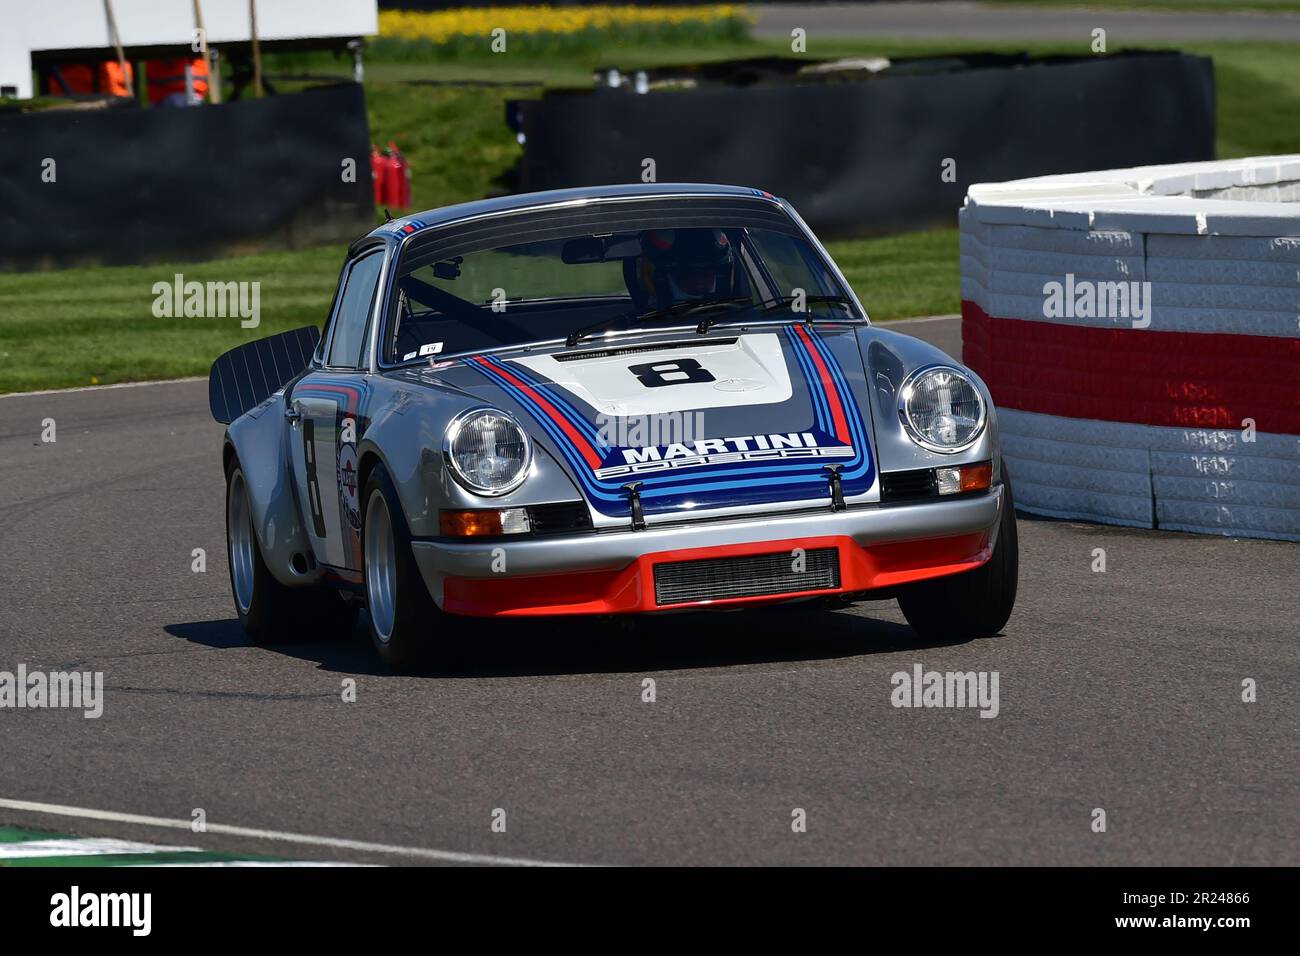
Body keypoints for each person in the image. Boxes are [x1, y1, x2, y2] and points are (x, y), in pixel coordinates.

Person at [633, 228, 746, 308]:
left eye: (706, 273)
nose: (699, 281)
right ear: (658, 278)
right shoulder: (634, 326)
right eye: (686, 275)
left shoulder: (742, 314)